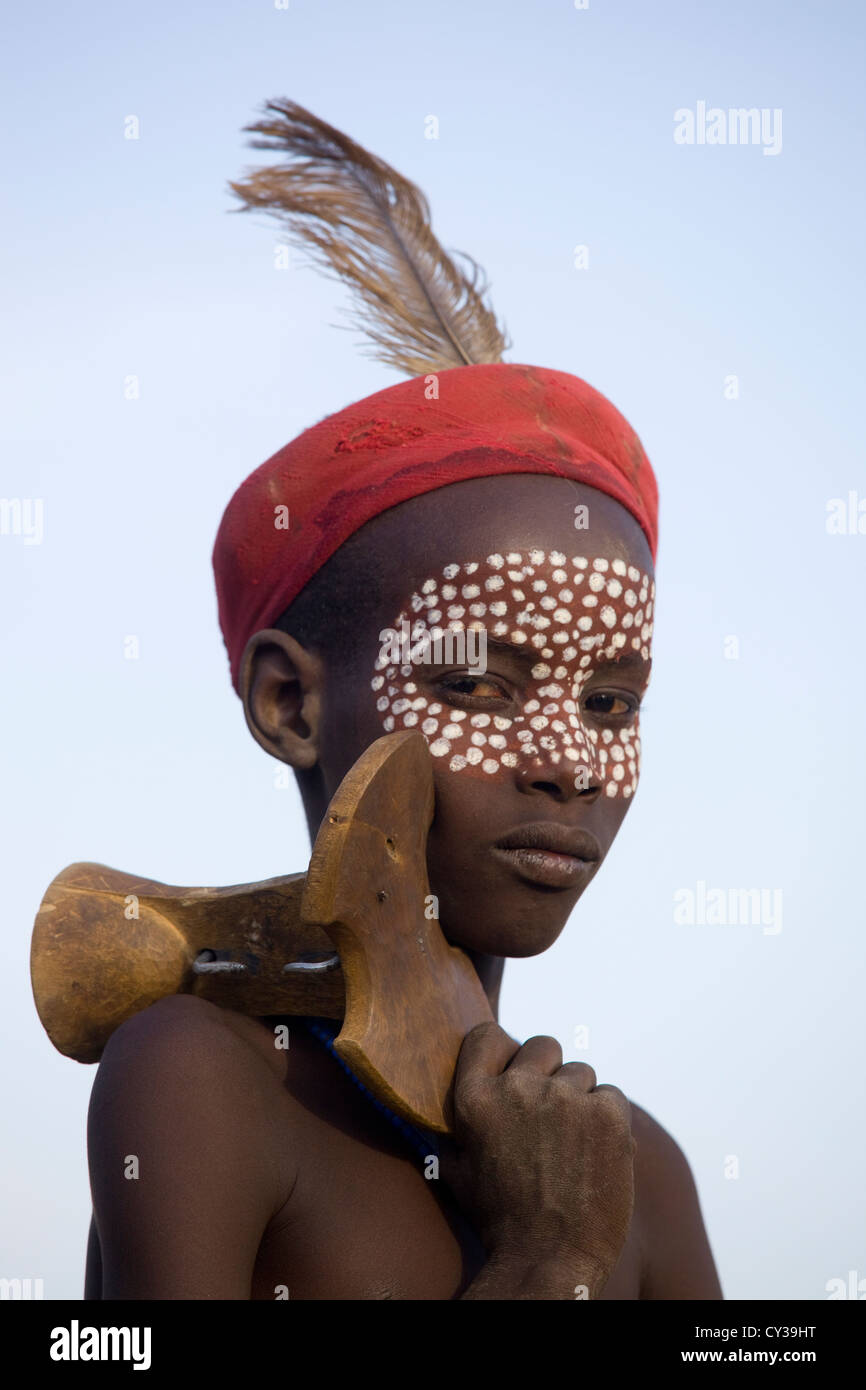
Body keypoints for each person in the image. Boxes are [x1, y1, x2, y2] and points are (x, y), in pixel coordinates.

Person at [83, 101, 722, 1301]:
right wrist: (545, 1264)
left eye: (609, 701)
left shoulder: (638, 1173)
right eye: (476, 682)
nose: (566, 764)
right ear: (288, 703)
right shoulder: (210, 1083)